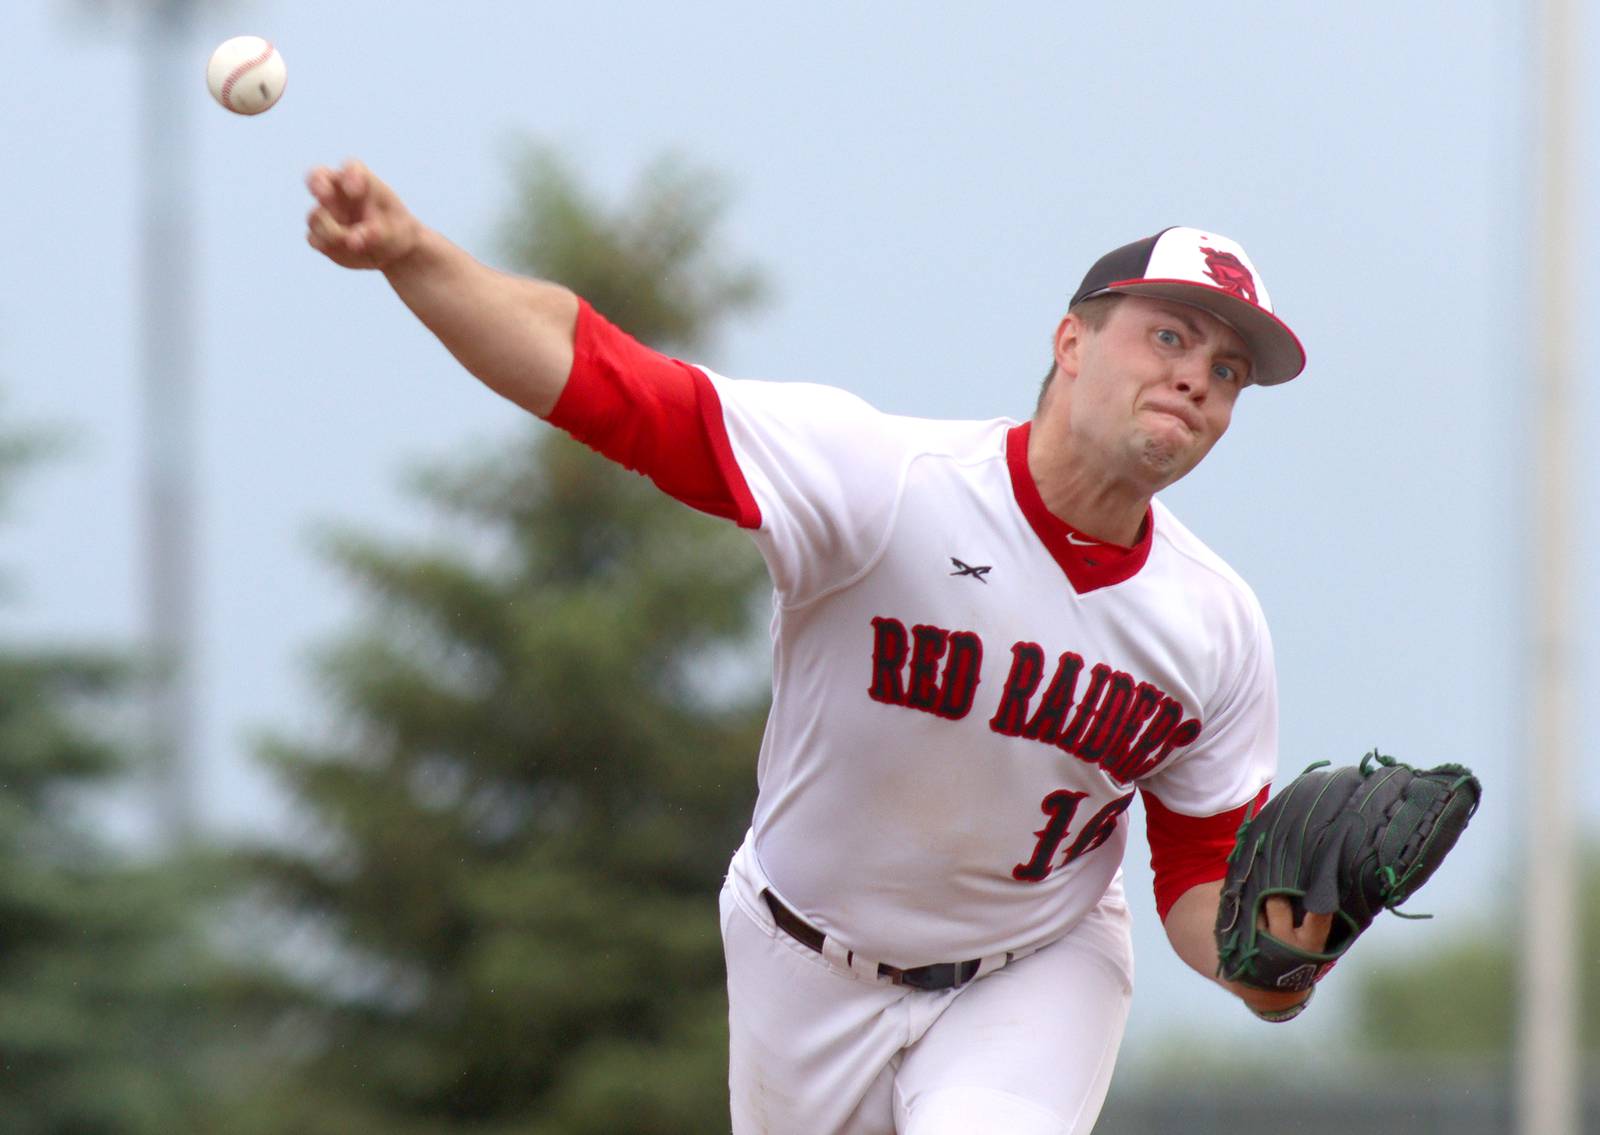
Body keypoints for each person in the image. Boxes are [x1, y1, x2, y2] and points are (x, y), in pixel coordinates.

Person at [304, 160, 1332, 1135]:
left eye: (1226, 368)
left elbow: (1201, 871)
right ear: (1070, 342)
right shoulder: (886, 482)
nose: (1197, 377)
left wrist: (1275, 963)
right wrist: (414, 255)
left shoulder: (1215, 624)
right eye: (1168, 338)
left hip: (1033, 968)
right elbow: (612, 385)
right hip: (799, 955)